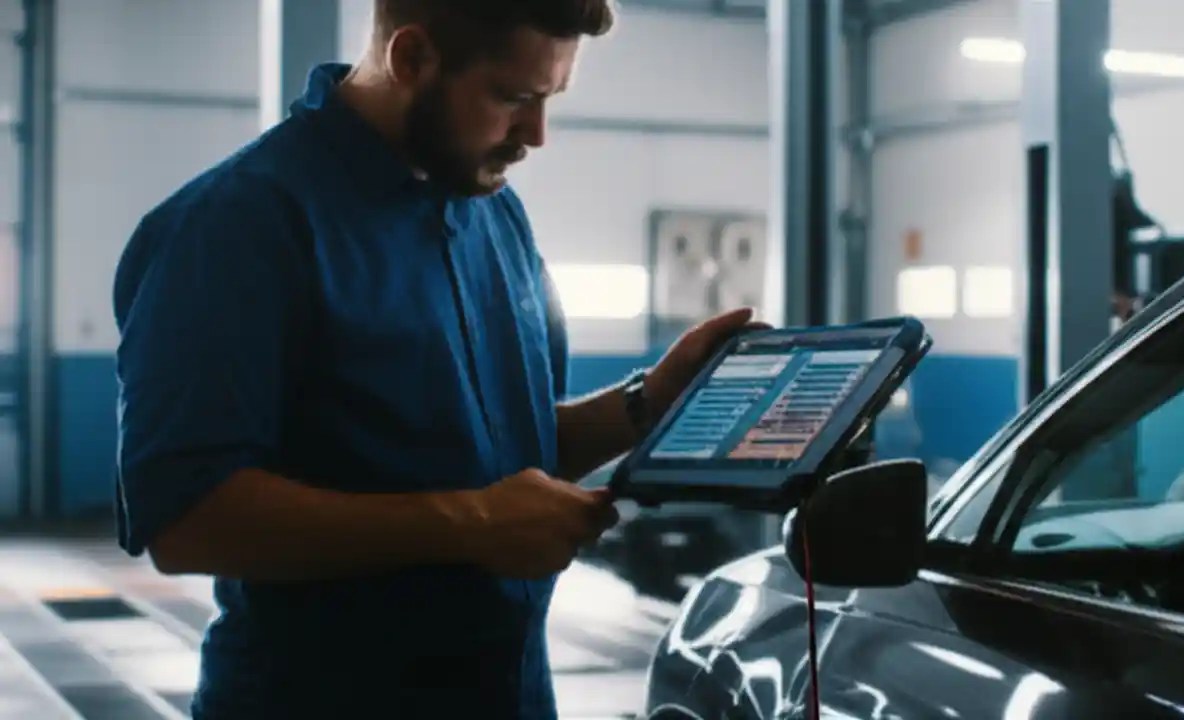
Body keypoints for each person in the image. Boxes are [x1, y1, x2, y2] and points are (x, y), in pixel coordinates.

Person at [112, 1, 758, 717]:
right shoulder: (235, 227)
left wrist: (646, 405)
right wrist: (472, 523)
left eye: (549, 101)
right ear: (412, 59)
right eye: (513, 98)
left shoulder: (492, 212)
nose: (536, 135)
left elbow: (502, 452)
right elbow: (186, 518)